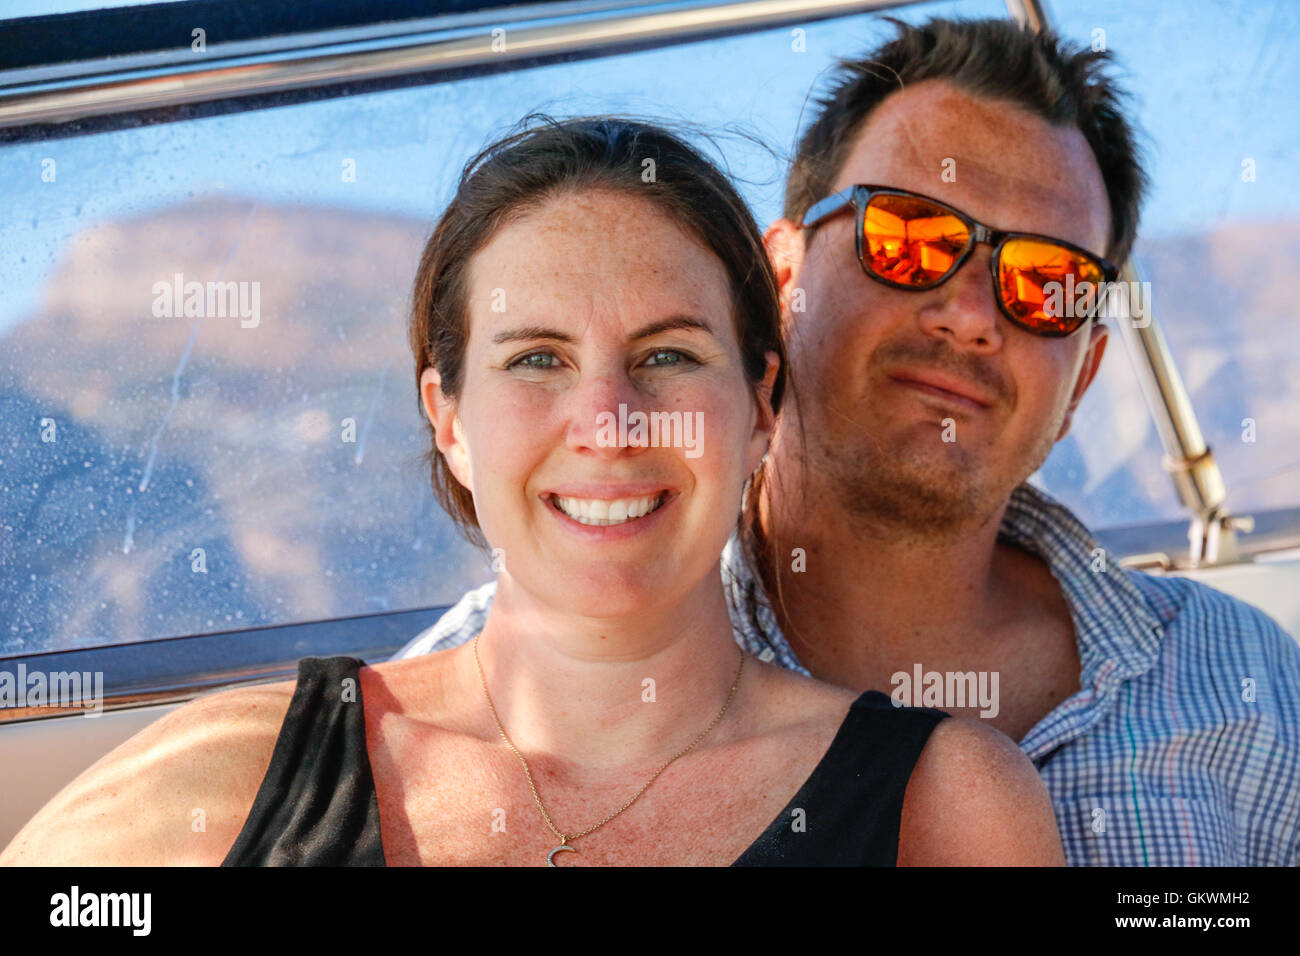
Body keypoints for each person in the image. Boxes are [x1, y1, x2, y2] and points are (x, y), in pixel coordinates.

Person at [0, 116, 1062, 867]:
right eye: (538, 359)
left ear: (763, 408)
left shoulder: (944, 800)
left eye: (669, 355)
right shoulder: (229, 780)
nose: (606, 423)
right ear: (449, 417)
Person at [392, 20, 1300, 866]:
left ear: (1085, 374)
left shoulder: (1247, 685)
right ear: (782, 277)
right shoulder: (450, 736)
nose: (975, 316)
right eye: (909, 239)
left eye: (1047, 281)